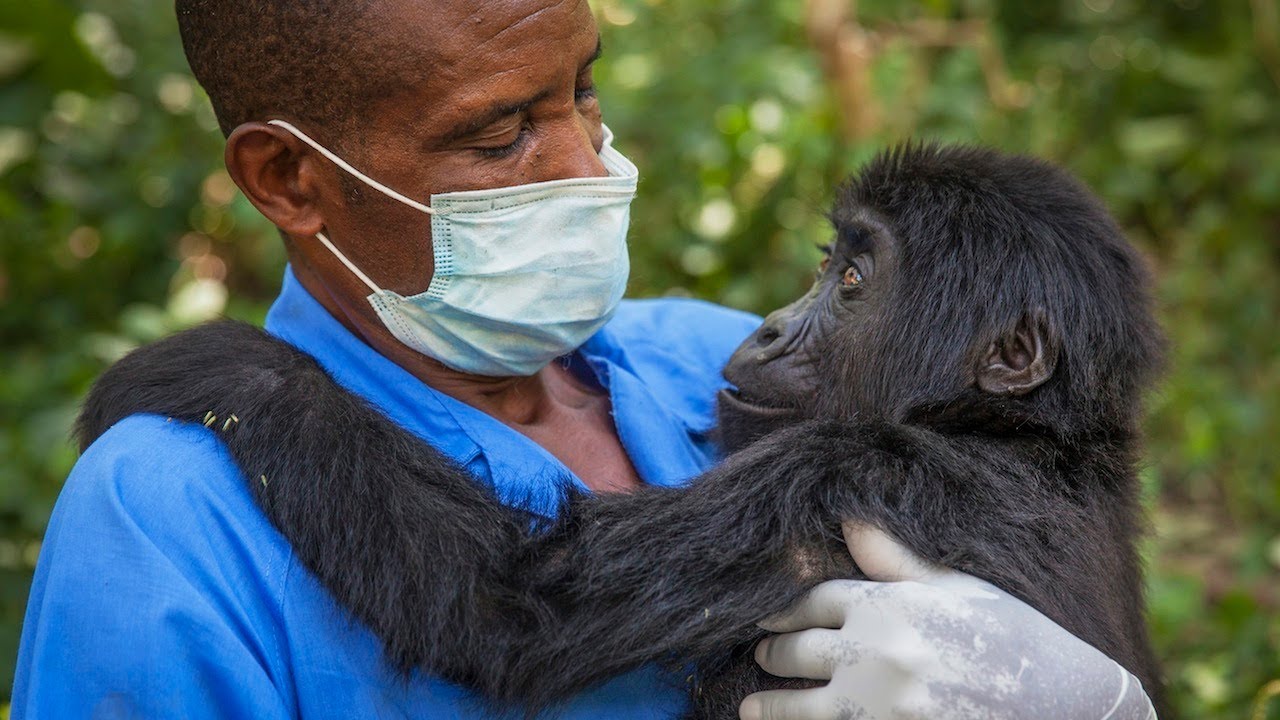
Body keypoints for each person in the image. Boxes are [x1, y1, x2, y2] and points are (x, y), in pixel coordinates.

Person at [11, 1, 1157, 718]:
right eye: (500, 132)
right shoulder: (168, 521)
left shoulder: (726, 382)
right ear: (287, 180)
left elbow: (520, 603)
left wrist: (254, 389)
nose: (587, 163)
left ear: (1005, 359)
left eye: (584, 88)